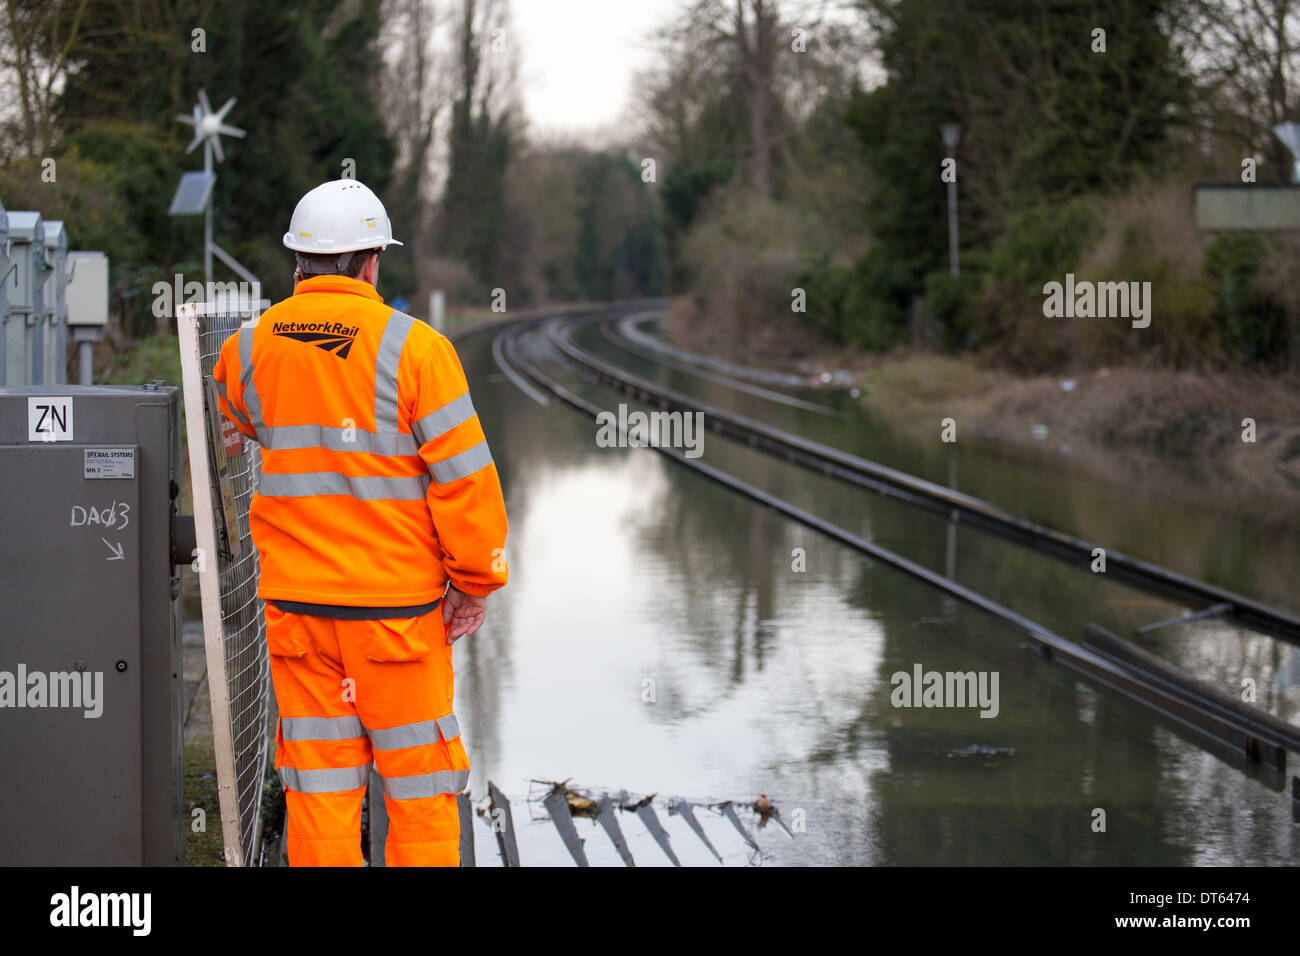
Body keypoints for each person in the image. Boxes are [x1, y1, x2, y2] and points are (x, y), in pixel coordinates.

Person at [212, 178, 508, 866]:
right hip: (394, 616)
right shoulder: (417, 350)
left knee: (320, 787)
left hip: (297, 613)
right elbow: (465, 482)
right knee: (419, 784)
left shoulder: (249, 348)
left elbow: (243, 420)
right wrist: (474, 582)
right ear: (371, 262)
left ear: (299, 264)